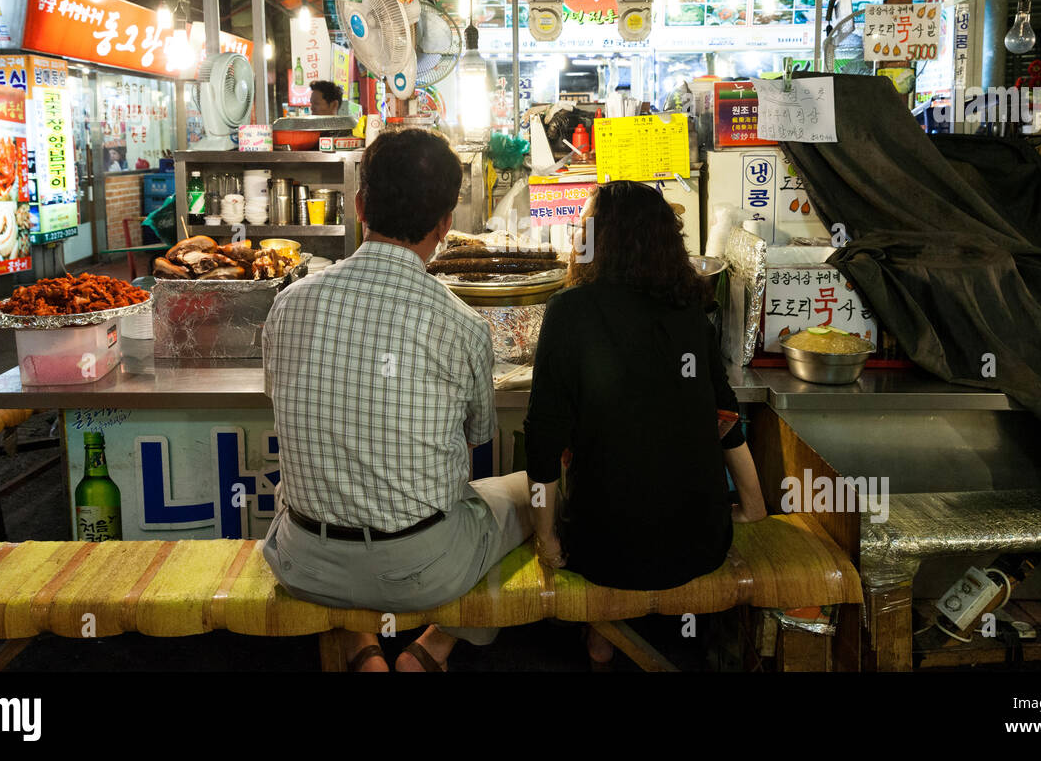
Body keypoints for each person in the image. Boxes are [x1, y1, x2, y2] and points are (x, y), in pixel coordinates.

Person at [261, 127, 532, 672]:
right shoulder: (461, 323)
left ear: (360, 205)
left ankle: (359, 644)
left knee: (322, 488)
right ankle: (435, 647)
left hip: (302, 561)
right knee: (528, 498)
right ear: (445, 224)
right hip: (424, 567)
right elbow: (481, 436)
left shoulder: (288, 304)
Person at [524, 180, 768, 667]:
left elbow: (543, 439)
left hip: (601, 552)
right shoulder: (689, 314)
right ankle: (608, 635)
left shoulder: (569, 311)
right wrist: (754, 507)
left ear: (597, 240)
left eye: (582, 227)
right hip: (702, 546)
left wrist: (547, 538)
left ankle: (599, 638)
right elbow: (725, 417)